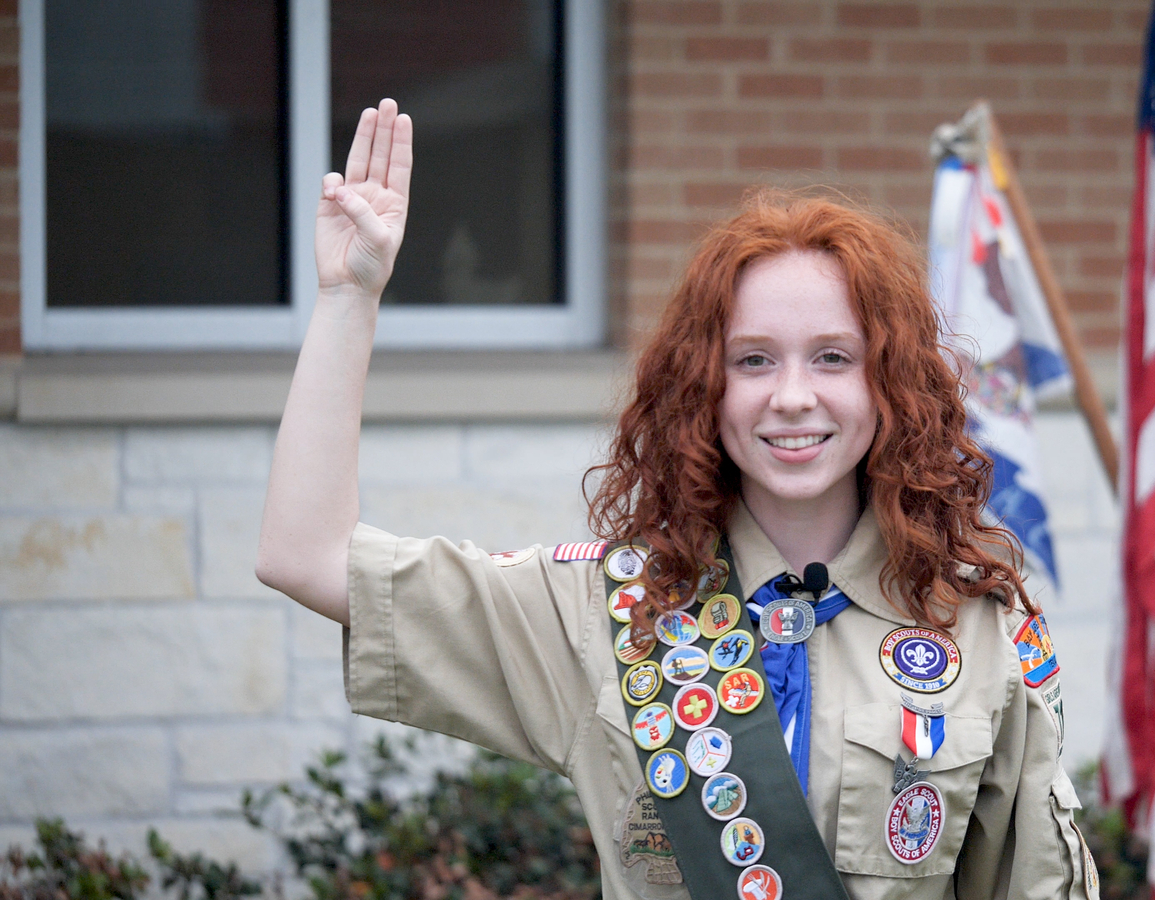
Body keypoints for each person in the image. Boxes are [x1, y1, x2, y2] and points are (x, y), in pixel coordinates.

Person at [258, 99, 1099, 900]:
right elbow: (307, 558)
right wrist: (347, 298)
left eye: (835, 358)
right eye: (754, 360)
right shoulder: (603, 612)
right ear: (704, 387)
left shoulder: (979, 634)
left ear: (893, 388)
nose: (794, 397)